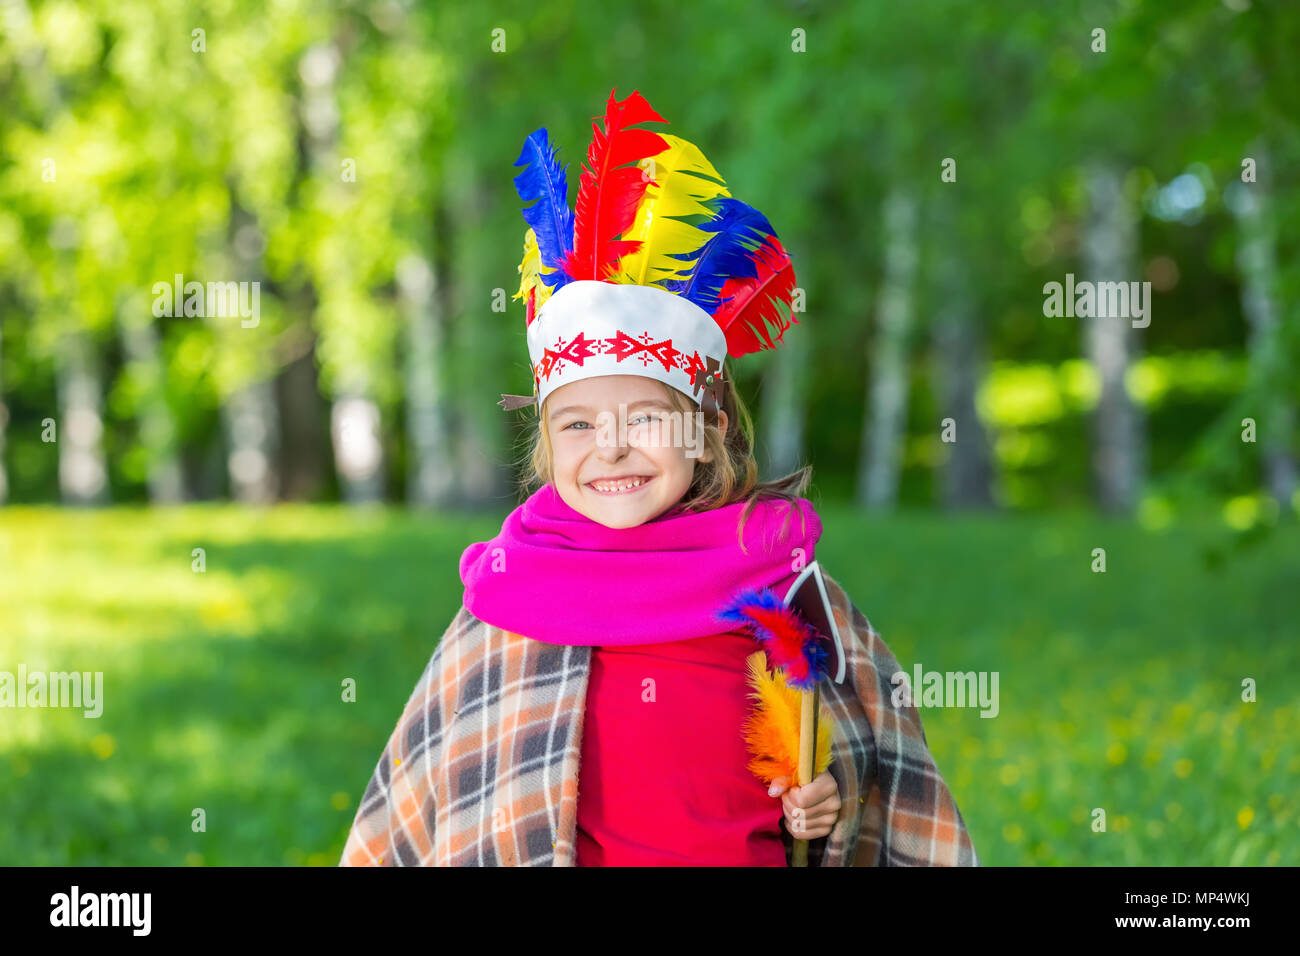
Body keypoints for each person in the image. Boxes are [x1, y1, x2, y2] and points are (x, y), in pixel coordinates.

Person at [339, 88, 977, 867]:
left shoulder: (776, 575)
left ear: (707, 432)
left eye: (644, 420)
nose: (609, 449)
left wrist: (825, 790)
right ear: (544, 443)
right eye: (577, 426)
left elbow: (855, 740)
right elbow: (448, 781)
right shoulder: (511, 591)